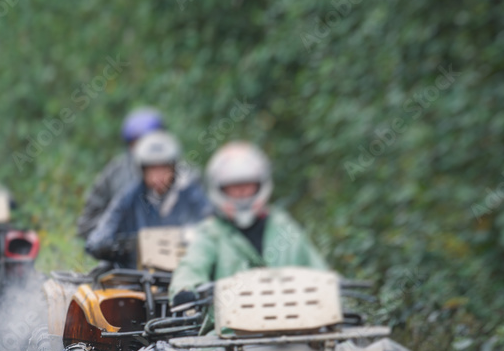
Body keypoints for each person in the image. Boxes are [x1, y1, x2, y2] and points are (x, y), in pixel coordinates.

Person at [170, 142, 328, 305]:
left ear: (260, 185)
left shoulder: (284, 227)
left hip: (295, 321)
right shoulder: (211, 233)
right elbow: (192, 266)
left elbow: (318, 269)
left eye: (247, 186)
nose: (242, 194)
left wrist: (331, 290)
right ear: (219, 189)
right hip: (228, 327)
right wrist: (185, 289)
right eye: (234, 188)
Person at [85, 130, 211, 268]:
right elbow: (97, 240)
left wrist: (187, 238)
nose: (157, 176)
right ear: (142, 170)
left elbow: (211, 230)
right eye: (152, 169)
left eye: (163, 168)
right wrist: (126, 247)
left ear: (173, 168)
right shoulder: (131, 195)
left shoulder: (190, 191)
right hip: (138, 276)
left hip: (185, 271)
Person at [76, 107, 164, 240]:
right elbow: (86, 223)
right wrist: (117, 230)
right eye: (134, 144)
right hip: (123, 250)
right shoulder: (116, 172)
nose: (139, 150)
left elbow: (200, 219)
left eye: (144, 144)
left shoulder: (181, 173)